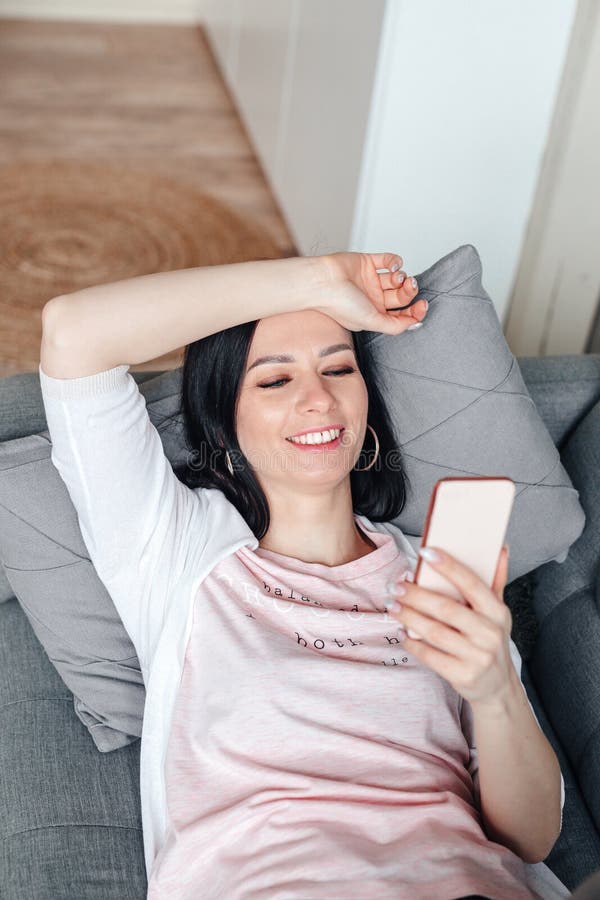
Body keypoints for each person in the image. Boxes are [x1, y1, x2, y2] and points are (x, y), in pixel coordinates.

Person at [39, 252, 567, 899]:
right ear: (225, 422)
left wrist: (495, 692)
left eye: (338, 367)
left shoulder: (441, 576)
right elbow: (74, 333)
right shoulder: (176, 551)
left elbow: (530, 839)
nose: (318, 398)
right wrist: (318, 280)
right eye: (273, 381)